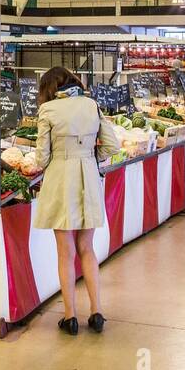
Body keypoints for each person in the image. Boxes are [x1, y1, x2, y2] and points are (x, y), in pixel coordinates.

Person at [30, 66, 121, 336]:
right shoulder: (91, 105)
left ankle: (70, 317)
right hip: (88, 178)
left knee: (65, 253)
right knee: (87, 249)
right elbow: (112, 146)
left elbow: (41, 158)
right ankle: (96, 311)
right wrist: (91, 158)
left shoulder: (47, 111)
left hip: (60, 180)